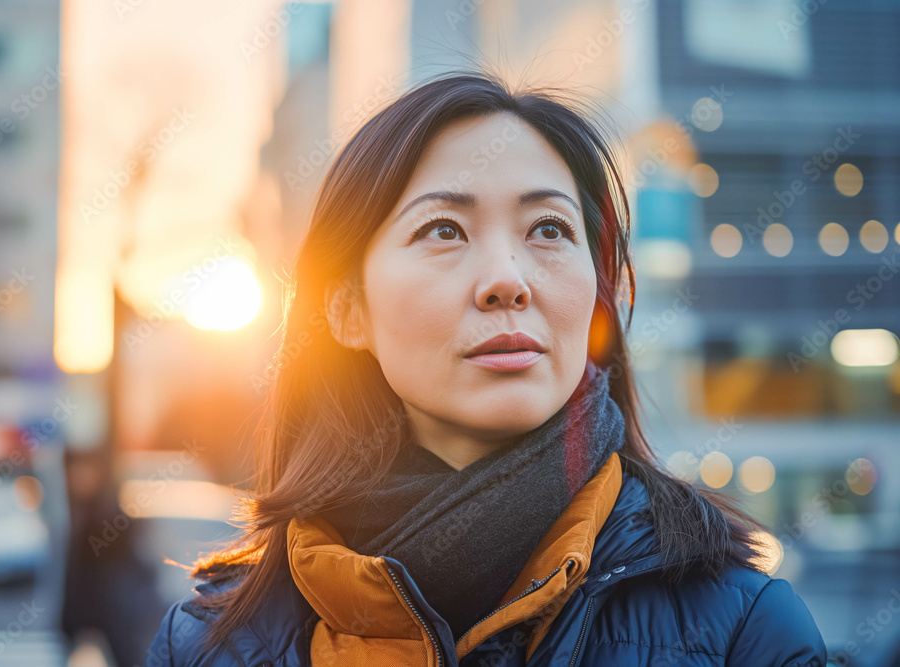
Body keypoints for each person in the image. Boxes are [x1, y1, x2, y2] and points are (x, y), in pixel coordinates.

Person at [145, 71, 827, 666]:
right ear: (348, 309)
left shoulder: (746, 627)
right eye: (444, 229)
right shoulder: (209, 645)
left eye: (549, 230)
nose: (507, 279)